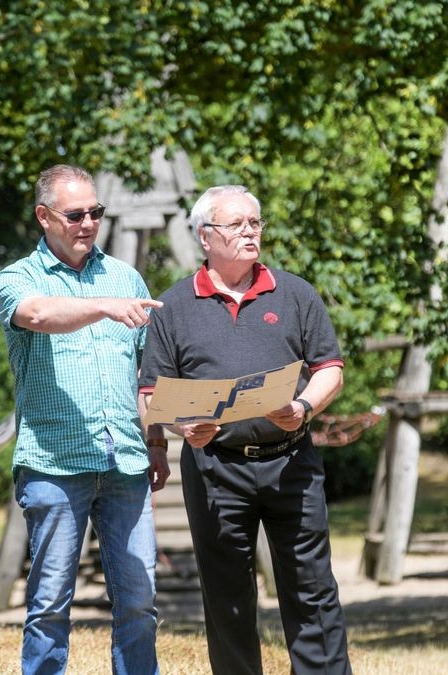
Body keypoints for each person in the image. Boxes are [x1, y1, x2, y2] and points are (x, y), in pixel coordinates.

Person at [138, 185, 353, 674]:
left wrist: (302, 407)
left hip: (292, 460)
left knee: (313, 590)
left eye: (254, 223)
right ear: (205, 236)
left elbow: (330, 370)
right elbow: (152, 394)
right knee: (227, 598)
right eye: (236, 224)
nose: (249, 232)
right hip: (215, 469)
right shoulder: (173, 306)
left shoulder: (296, 293)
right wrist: (183, 427)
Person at [0, 164, 167, 675]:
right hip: (53, 464)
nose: (88, 223)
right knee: (50, 603)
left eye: (96, 212)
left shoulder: (125, 277)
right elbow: (38, 315)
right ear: (44, 216)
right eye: (75, 214)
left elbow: (146, 377)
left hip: (126, 464)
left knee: (140, 601)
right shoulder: (17, 277)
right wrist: (103, 307)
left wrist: (157, 443)